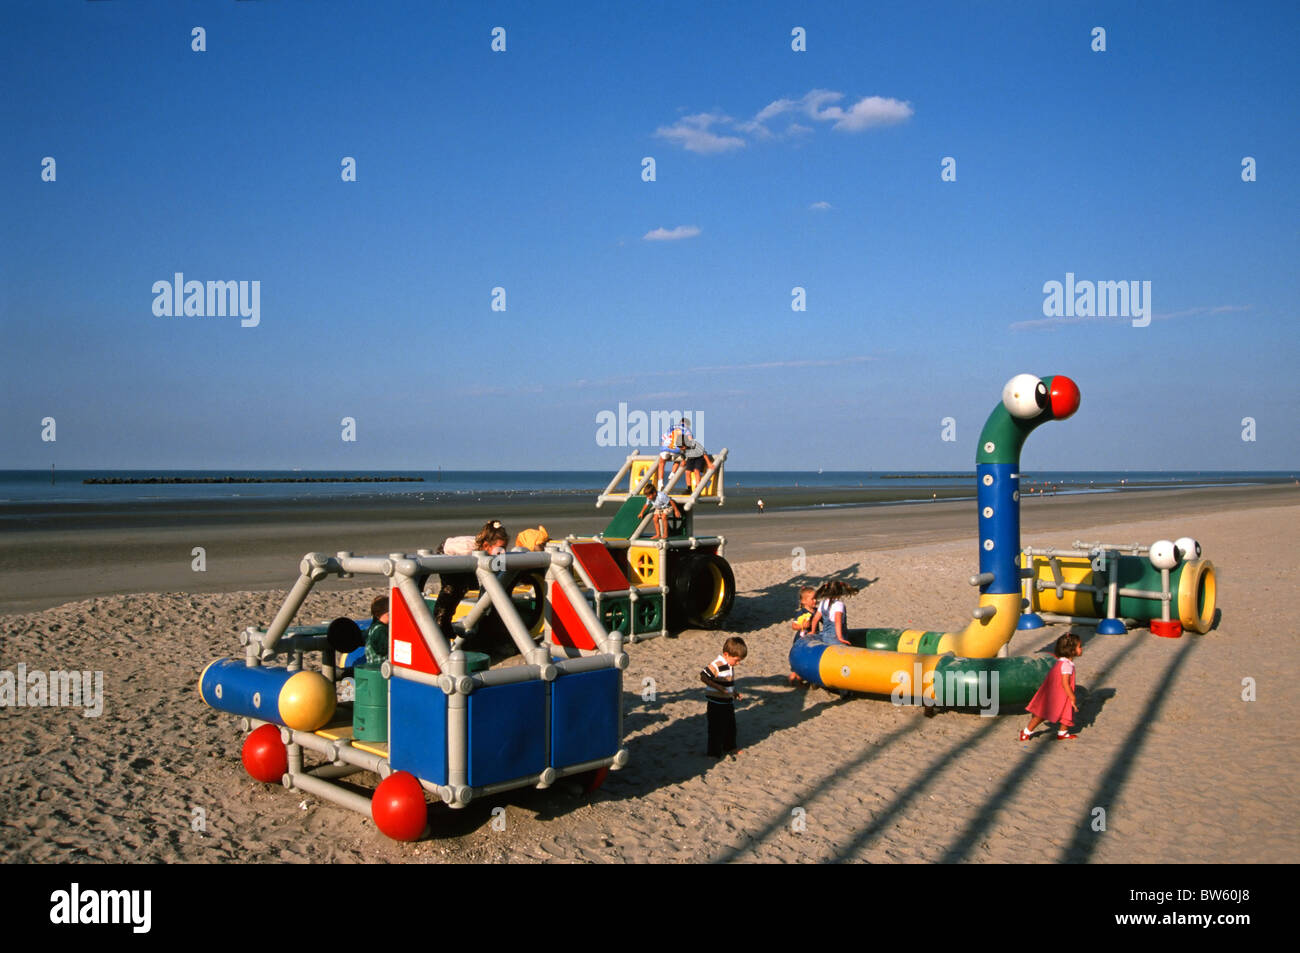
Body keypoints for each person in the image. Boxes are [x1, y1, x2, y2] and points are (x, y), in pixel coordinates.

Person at [432, 520, 509, 640]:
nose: (502, 551)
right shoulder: (466, 549)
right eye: (501, 548)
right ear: (486, 546)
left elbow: (500, 571)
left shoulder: (497, 552)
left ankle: (452, 622)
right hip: (448, 554)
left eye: (505, 547)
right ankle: (440, 622)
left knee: (466, 587)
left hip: (468, 558)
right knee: (452, 590)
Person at [1020, 632, 1083, 741]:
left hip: (1059, 693)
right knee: (1042, 714)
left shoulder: (1062, 662)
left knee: (1067, 712)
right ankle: (1026, 731)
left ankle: (1063, 732)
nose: (1081, 649)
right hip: (1059, 694)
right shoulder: (1066, 665)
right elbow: (1065, 683)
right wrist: (1072, 696)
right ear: (1072, 650)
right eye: (1079, 647)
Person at [700, 636, 747, 758]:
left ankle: (730, 747)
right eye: (736, 660)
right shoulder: (716, 664)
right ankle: (713, 752)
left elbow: (729, 683)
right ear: (726, 654)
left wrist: (735, 692)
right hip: (715, 703)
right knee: (715, 728)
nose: (738, 663)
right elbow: (703, 676)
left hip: (727, 702)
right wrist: (717, 687)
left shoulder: (729, 666)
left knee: (731, 726)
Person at [808, 580, 859, 647]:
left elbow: (815, 619)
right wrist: (840, 637)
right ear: (840, 592)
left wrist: (813, 631)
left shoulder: (822, 603)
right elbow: (837, 621)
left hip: (825, 637)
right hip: (836, 639)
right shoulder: (839, 605)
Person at [788, 586, 817, 685]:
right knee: (801, 656)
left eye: (815, 598)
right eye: (812, 599)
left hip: (813, 636)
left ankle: (799, 676)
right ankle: (794, 677)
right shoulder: (802, 612)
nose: (815, 601)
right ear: (804, 601)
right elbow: (793, 625)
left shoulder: (816, 611)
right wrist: (802, 625)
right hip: (802, 638)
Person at [655, 419, 690, 489]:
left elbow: (663, 439)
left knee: (661, 463)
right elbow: (689, 441)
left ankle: (660, 482)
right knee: (679, 458)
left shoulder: (671, 427)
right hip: (676, 449)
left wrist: (664, 447)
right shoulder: (687, 430)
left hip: (666, 447)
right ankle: (672, 473)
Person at [680, 428, 714, 492]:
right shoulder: (682, 448)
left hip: (699, 457)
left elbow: (703, 453)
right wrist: (683, 461)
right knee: (687, 472)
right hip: (690, 458)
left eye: (682, 447)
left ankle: (698, 487)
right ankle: (689, 488)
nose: (682, 449)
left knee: (696, 471)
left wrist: (709, 463)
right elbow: (683, 454)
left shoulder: (694, 444)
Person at [364, 595, 390, 664]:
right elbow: (383, 650)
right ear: (378, 615)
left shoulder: (374, 627)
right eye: (388, 615)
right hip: (379, 667)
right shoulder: (380, 630)